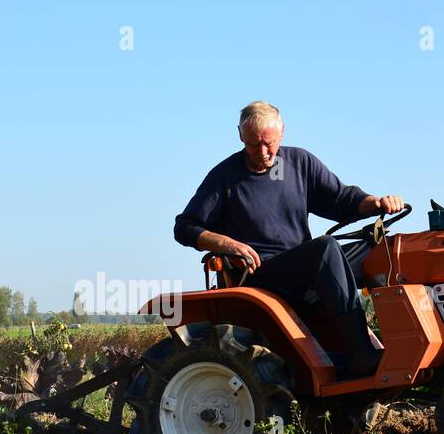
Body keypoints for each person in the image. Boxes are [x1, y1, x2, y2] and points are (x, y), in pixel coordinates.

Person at [173, 101, 405, 378]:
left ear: (282, 132)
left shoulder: (299, 163)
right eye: (253, 145)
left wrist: (377, 202)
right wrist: (228, 244)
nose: (262, 153)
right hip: (263, 274)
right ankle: (361, 353)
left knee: (383, 250)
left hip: (306, 266)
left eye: (268, 144)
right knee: (324, 249)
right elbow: (184, 227)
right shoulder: (224, 177)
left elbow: (341, 200)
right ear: (240, 136)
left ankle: (404, 341)